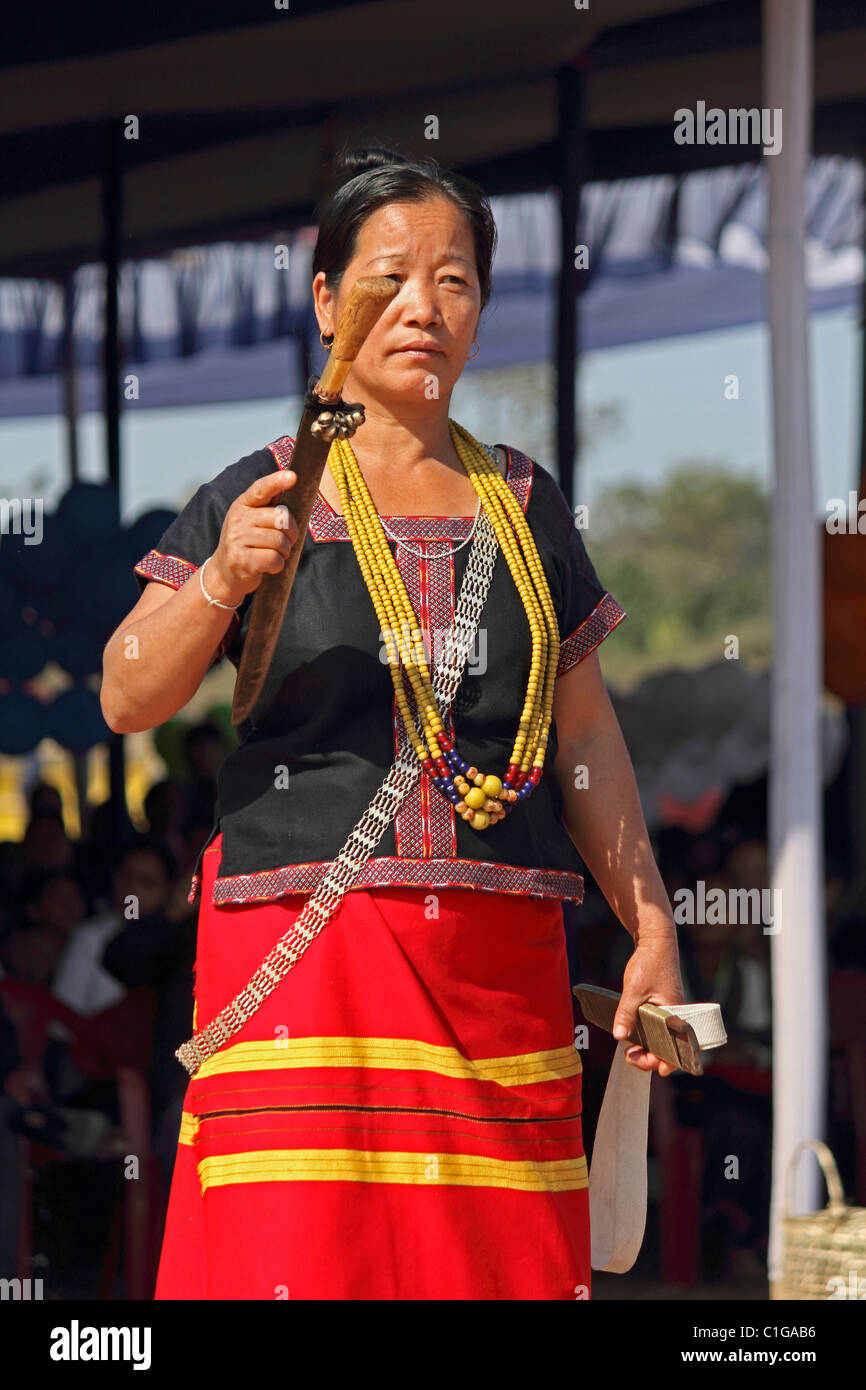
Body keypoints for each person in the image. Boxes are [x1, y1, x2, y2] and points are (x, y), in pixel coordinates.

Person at [100, 145, 685, 1301]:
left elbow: (580, 738)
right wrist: (220, 579)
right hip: (308, 960)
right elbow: (125, 694)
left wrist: (651, 920)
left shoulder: (527, 504)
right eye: (386, 277)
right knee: (305, 1262)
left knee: (491, 1269)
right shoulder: (256, 492)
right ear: (325, 300)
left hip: (496, 965)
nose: (421, 307)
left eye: (454, 279)